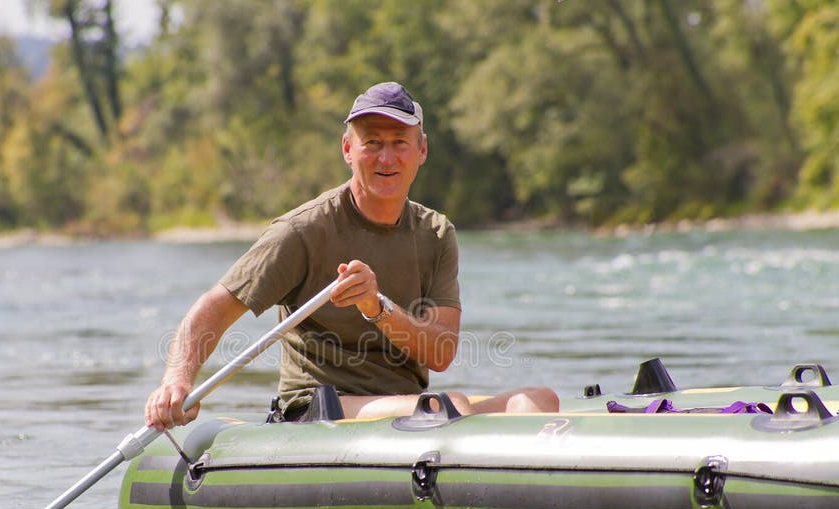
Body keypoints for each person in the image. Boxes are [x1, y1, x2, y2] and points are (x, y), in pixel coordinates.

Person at [146, 81, 558, 430]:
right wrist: (176, 383)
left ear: (422, 151)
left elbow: (441, 353)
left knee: (538, 401)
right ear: (348, 149)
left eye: (399, 143)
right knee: (446, 409)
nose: (386, 157)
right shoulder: (302, 231)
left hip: (407, 405)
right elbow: (213, 309)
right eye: (372, 143)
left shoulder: (436, 233)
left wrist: (376, 308)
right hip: (319, 408)